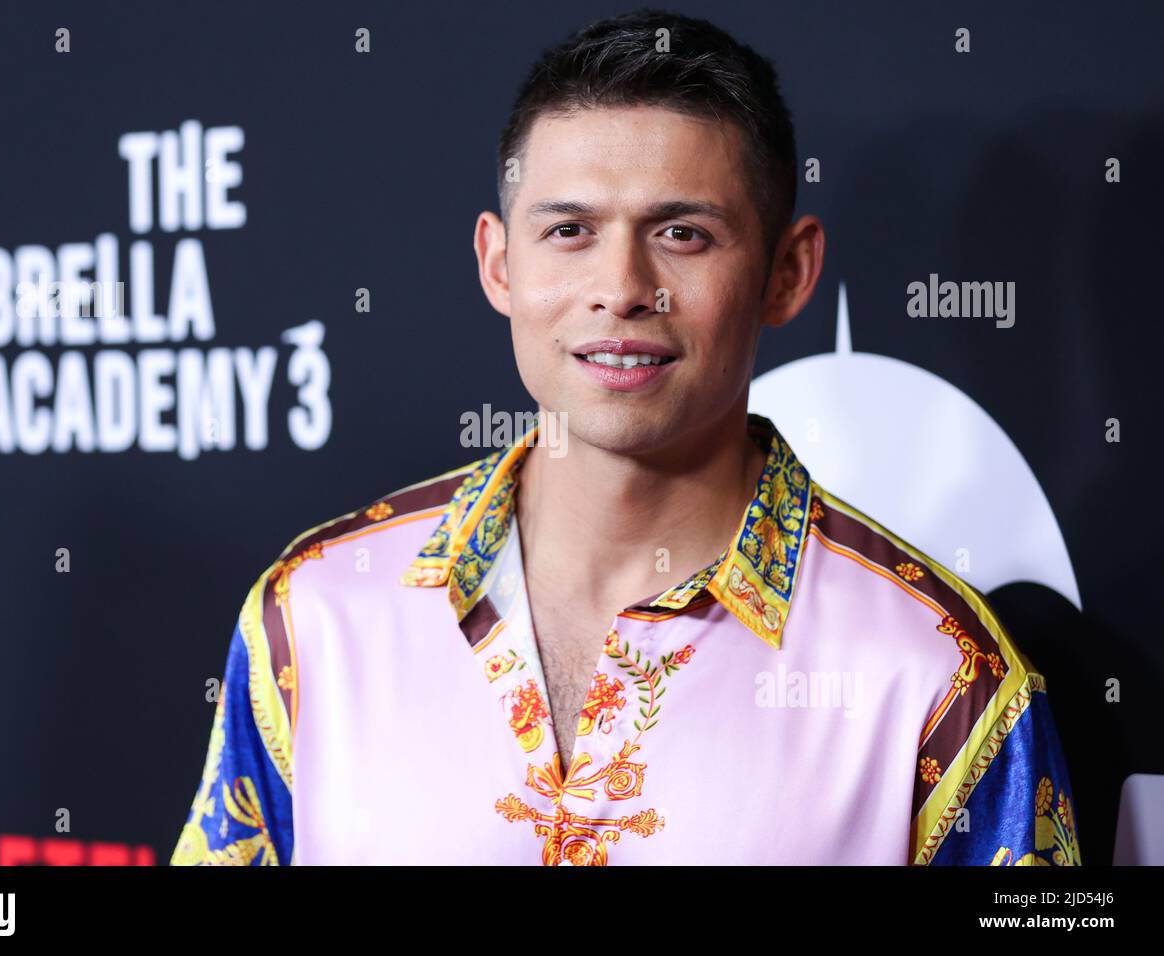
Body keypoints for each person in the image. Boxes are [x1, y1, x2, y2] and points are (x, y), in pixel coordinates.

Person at [171, 8, 1080, 866]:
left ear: (788, 272)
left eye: (682, 233)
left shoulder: (934, 670)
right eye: (568, 230)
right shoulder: (315, 615)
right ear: (499, 264)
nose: (621, 287)